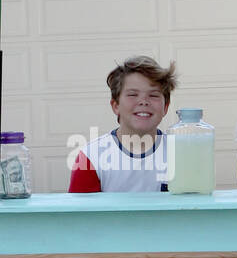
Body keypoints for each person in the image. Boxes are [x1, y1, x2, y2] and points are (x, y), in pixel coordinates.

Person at [68, 55, 177, 193]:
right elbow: (80, 213)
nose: (143, 101)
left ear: (165, 107)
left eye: (153, 95)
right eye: (132, 94)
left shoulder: (181, 153)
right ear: (116, 106)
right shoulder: (91, 157)